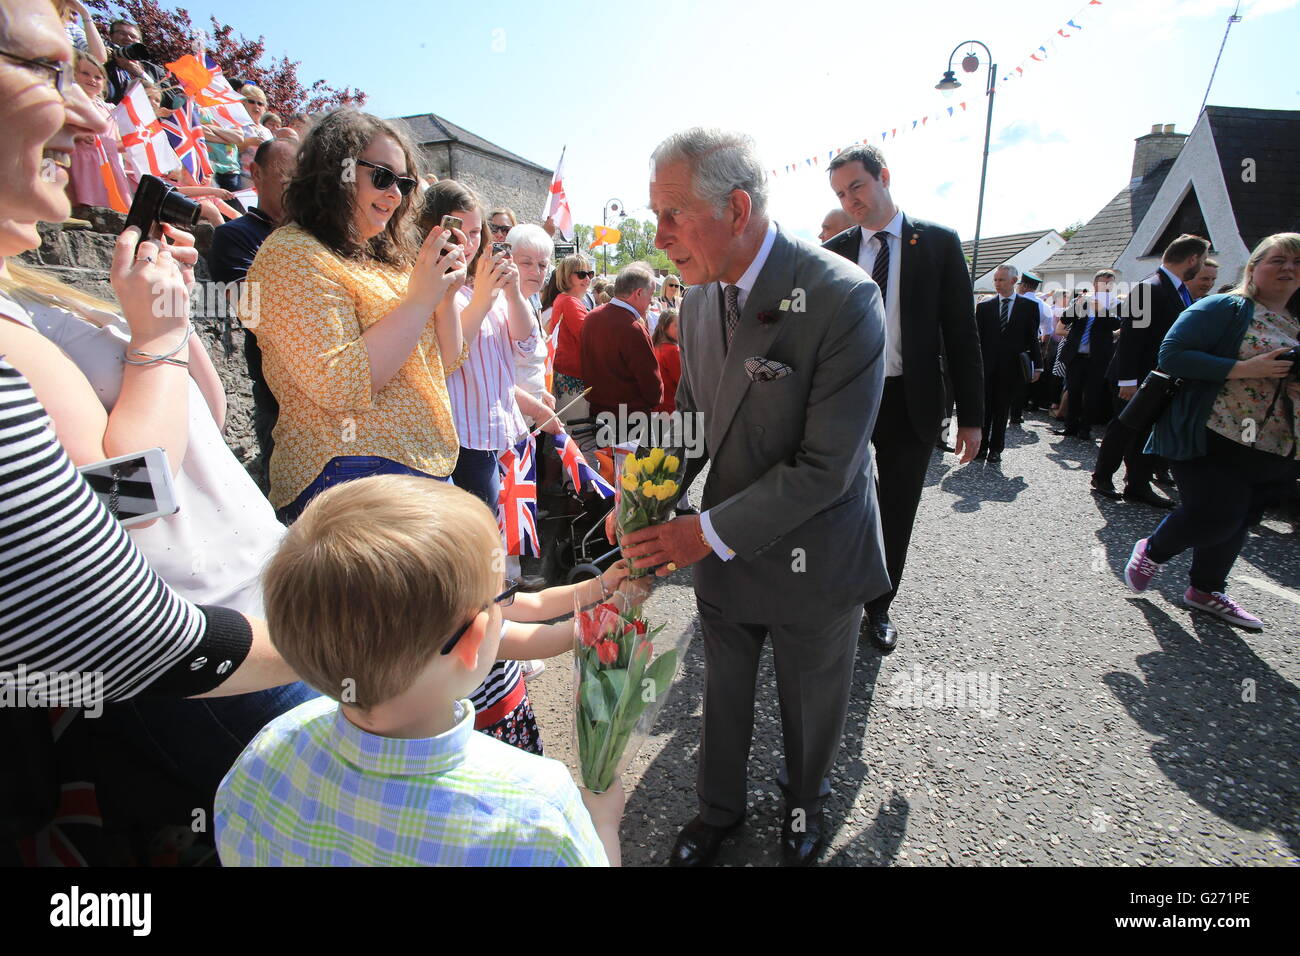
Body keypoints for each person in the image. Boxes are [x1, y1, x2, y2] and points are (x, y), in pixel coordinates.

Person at [618, 128, 889, 867]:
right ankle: (717, 812)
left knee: (810, 705)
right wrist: (644, 495)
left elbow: (826, 468)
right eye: (655, 213)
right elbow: (691, 421)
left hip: (814, 551)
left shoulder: (843, 298)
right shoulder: (700, 298)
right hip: (726, 547)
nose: (658, 233)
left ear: (737, 208)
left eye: (673, 213)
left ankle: (804, 806)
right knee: (725, 697)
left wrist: (696, 534)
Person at [215, 476, 626, 866]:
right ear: (474, 638)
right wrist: (602, 823)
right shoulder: (538, 809)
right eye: (500, 599)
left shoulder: (265, 754)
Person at [244, 109, 468, 522]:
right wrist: (418, 302)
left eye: (405, 183)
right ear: (334, 172)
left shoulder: (390, 261)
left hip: (423, 468)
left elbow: (447, 362)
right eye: (382, 176)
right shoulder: (291, 254)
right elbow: (341, 385)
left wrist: (444, 297)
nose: (396, 194)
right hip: (348, 476)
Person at [824, 144, 984, 655]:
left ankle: (879, 605)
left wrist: (973, 418)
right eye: (841, 193)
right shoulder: (837, 251)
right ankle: (833, 592)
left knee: (897, 507)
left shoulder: (936, 243)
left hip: (910, 400)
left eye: (857, 187)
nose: (850, 200)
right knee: (836, 500)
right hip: (848, 398)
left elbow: (962, 334)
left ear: (884, 177)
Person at [1123, 233, 1300, 630]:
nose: (1288, 268)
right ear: (1253, 268)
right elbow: (1172, 354)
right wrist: (1243, 369)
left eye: (1297, 262)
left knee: (1240, 519)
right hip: (1211, 432)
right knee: (1216, 515)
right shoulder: (1225, 307)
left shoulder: (1295, 319)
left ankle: (1205, 591)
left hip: (1273, 441)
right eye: (1278, 260)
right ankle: (1153, 549)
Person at [1092, 233, 1209, 506]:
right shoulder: (1148, 288)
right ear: (1192, 259)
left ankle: (1137, 485)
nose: (1202, 266)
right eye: (1202, 260)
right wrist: (1128, 381)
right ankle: (1102, 476)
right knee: (1122, 428)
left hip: (1157, 377)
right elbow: (1132, 338)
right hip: (1135, 377)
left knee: (1146, 433)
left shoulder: (1176, 289)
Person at [208, 136, 298, 463]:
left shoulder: (318, 236)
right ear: (255, 173)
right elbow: (254, 311)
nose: (295, 188)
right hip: (280, 402)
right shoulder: (233, 235)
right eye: (286, 177)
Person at [580, 260, 663, 424]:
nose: (651, 301)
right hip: (630, 418)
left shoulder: (591, 317)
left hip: (598, 414)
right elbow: (650, 382)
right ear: (638, 293)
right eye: (651, 295)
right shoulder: (633, 327)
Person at [974, 265, 1041, 463]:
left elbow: (1033, 337)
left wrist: (1037, 365)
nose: (997, 283)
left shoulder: (1028, 307)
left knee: (1002, 409)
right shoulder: (985, 307)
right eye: (995, 279)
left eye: (1001, 280)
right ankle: (981, 447)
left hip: (1011, 368)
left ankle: (996, 448)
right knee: (984, 408)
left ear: (1013, 281)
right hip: (987, 367)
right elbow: (977, 338)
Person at [1055, 270, 1121, 441]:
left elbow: (1117, 324)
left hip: (1098, 357)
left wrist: (1102, 310)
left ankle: (1086, 428)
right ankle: (1070, 426)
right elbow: (1066, 319)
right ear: (1095, 285)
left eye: (1110, 283)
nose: (1107, 287)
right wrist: (1076, 304)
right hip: (1076, 355)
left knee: (1092, 394)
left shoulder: (1115, 304)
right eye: (1103, 283)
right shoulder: (1083, 301)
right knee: (1073, 390)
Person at [66, 51, 132, 213]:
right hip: (82, 159)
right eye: (86, 74)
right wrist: (79, 136)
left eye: (98, 77)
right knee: (83, 202)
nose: (92, 80)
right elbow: (57, 128)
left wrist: (132, 142)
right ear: (74, 74)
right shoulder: (69, 100)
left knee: (112, 203)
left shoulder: (110, 109)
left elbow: (115, 142)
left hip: (108, 165)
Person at [545, 253, 596, 422]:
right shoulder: (570, 302)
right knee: (577, 433)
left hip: (565, 376)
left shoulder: (563, 299)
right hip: (573, 379)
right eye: (581, 274)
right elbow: (589, 339)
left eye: (590, 274)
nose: (587, 278)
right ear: (567, 276)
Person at [102, 19, 165, 105]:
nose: (128, 38)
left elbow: (168, 100)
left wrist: (140, 73)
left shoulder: (155, 71)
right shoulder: (103, 62)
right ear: (111, 36)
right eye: (122, 34)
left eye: (133, 36)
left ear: (140, 41)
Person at [235, 83, 273, 190]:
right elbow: (229, 149)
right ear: (242, 103)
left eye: (260, 104)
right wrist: (249, 142)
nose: (256, 106)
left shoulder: (267, 131)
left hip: (263, 180)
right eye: (251, 102)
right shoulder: (237, 125)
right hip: (242, 177)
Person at [652, 308, 681, 414]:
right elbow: (682, 383)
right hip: (671, 410)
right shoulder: (672, 351)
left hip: (659, 408)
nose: (681, 328)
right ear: (665, 327)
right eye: (676, 325)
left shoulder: (655, 346)